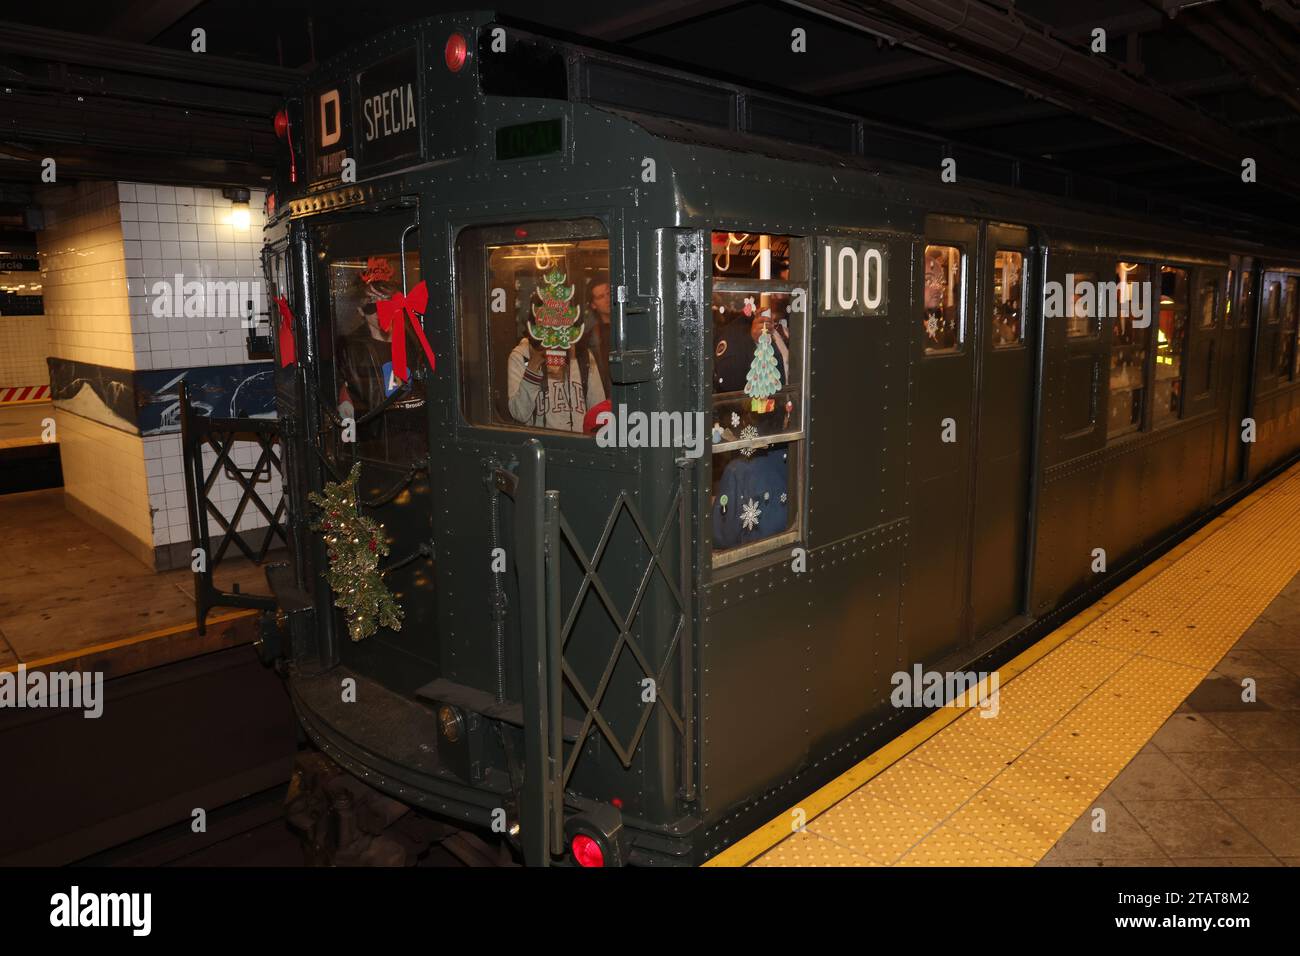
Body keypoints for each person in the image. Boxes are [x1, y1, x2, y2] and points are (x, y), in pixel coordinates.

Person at [336, 257, 427, 460]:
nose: (380, 311)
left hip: (419, 438)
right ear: (360, 309)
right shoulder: (351, 348)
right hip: (378, 443)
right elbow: (344, 396)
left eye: (386, 302)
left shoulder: (415, 338)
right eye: (371, 305)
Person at [506, 331, 605, 432]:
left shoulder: (583, 357)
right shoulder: (522, 356)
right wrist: (533, 364)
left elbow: (599, 413)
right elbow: (519, 413)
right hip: (542, 443)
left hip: (578, 443)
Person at [713, 296, 789, 393]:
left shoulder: (785, 324)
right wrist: (754, 342)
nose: (781, 296)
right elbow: (728, 382)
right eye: (775, 293)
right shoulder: (736, 331)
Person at [583, 272, 614, 399]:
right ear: (593, 305)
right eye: (601, 296)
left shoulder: (631, 326)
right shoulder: (591, 337)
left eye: (608, 293)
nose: (607, 299)